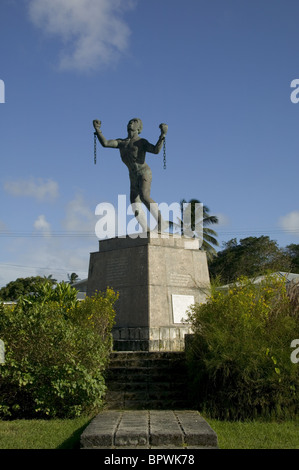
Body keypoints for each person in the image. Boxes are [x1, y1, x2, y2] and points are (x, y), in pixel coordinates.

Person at [93, 118, 168, 233]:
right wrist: (98, 130)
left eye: (134, 122)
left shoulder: (141, 142)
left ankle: (161, 222)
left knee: (144, 196)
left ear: (139, 128)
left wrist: (162, 135)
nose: (131, 123)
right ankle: (145, 229)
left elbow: (155, 150)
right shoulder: (121, 143)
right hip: (132, 176)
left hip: (144, 172)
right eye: (129, 122)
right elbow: (106, 143)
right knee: (134, 203)